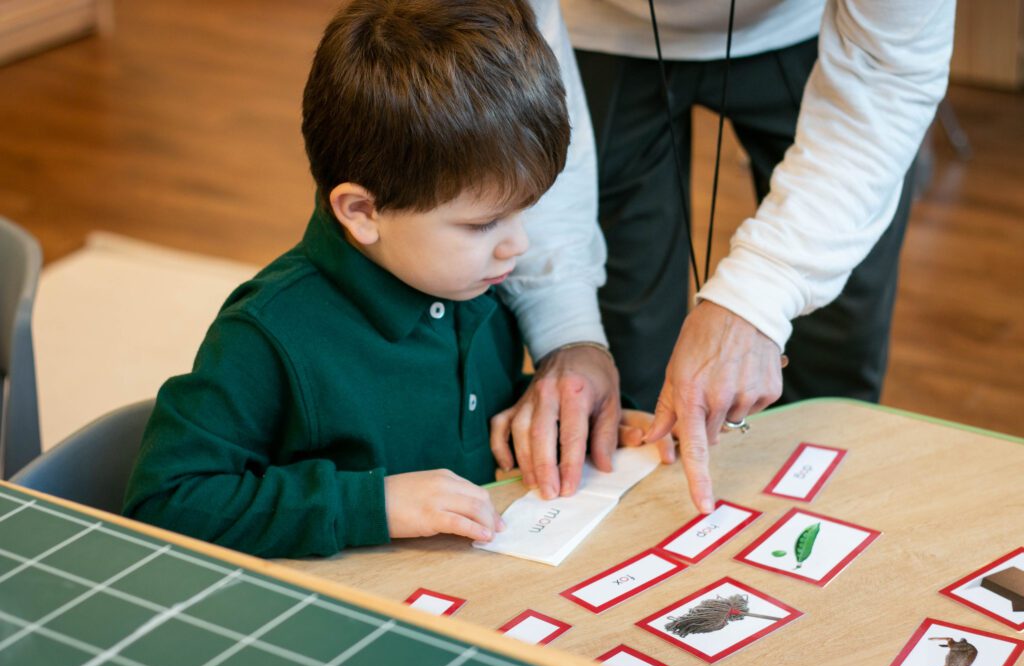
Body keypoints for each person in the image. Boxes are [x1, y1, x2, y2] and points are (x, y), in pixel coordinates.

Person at [122, 0, 671, 559]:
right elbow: (164, 501)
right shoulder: (266, 334)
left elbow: (452, 425)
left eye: (524, 212)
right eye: (483, 224)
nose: (519, 245)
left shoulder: (474, 283)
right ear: (362, 212)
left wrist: (554, 426)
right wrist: (373, 504)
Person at [494, 0, 955, 513]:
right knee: (629, 391)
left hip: (813, 33)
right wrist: (568, 333)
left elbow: (891, 75)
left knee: (835, 363)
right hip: (592, 35)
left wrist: (758, 296)